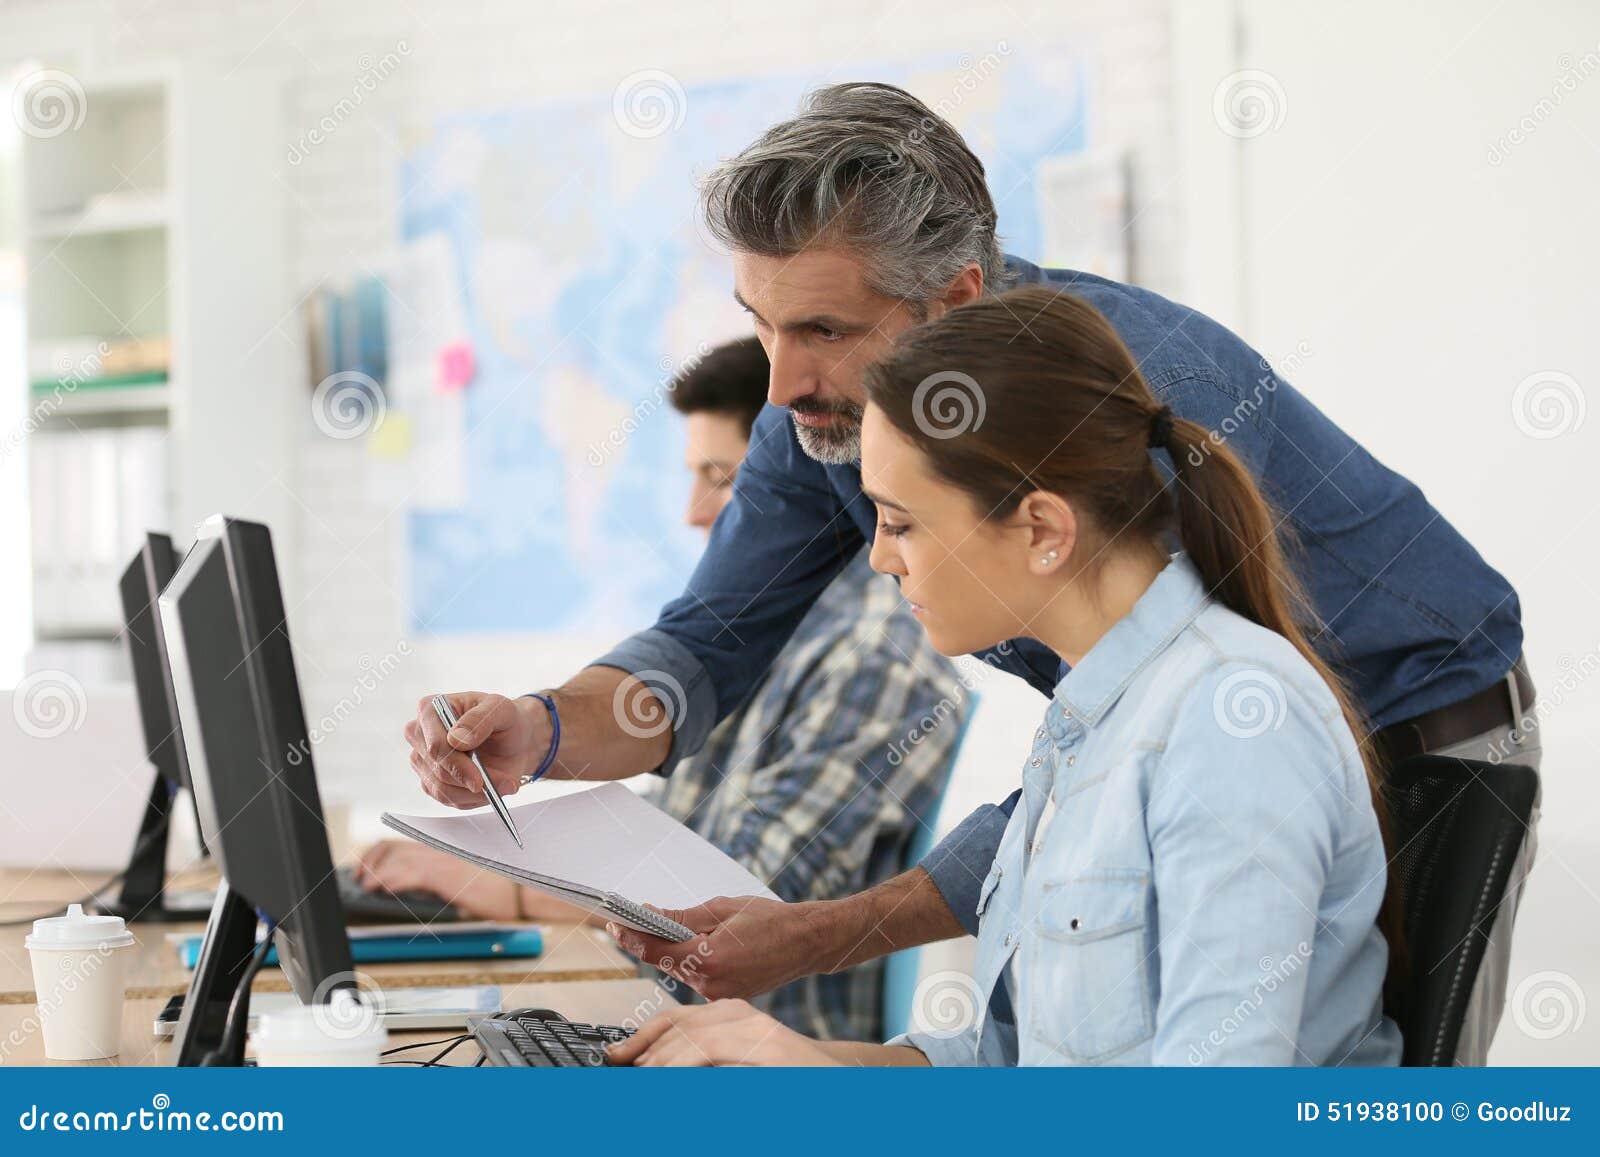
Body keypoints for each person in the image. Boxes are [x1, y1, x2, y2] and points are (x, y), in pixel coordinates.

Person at [403, 83, 1536, 1065]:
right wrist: (538, 728)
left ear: (951, 298)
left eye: (825, 329)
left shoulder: (1126, 418)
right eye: (759, 323)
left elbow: (1166, 765)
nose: (782, 380)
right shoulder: (828, 418)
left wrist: (820, 955)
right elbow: (709, 643)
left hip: (1420, 726)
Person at [606, 288, 1403, 1066]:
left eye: (903, 521)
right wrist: (807, 1065)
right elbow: (1004, 1061)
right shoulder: (1085, 722)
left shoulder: (1228, 726)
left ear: (1042, 529)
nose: (881, 557)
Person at [364, 336, 968, 1042]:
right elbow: (685, 820)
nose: (693, 511)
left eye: (722, 478)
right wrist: (493, 840)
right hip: (672, 1020)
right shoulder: (762, 638)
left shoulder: (872, 657)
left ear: (800, 485)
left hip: (754, 1044)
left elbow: (733, 896)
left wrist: (503, 889)